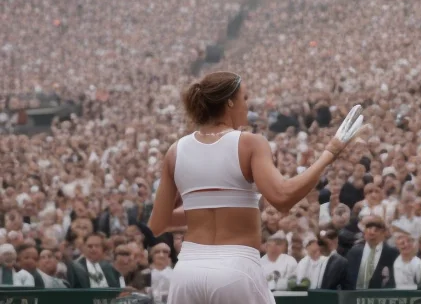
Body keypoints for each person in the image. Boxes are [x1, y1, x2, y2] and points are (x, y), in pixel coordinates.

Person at [147, 71, 370, 304]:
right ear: (230, 102)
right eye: (245, 98)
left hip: (186, 273)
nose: (247, 104)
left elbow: (158, 223)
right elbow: (283, 197)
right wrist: (330, 152)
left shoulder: (175, 150)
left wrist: (207, 211)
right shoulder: (249, 142)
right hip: (236, 270)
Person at [345, 215, 399, 289]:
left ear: (384, 232)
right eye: (369, 228)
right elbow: (347, 278)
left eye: (376, 229)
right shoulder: (354, 252)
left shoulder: (393, 253)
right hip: (353, 297)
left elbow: (394, 281)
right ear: (364, 232)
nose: (372, 232)